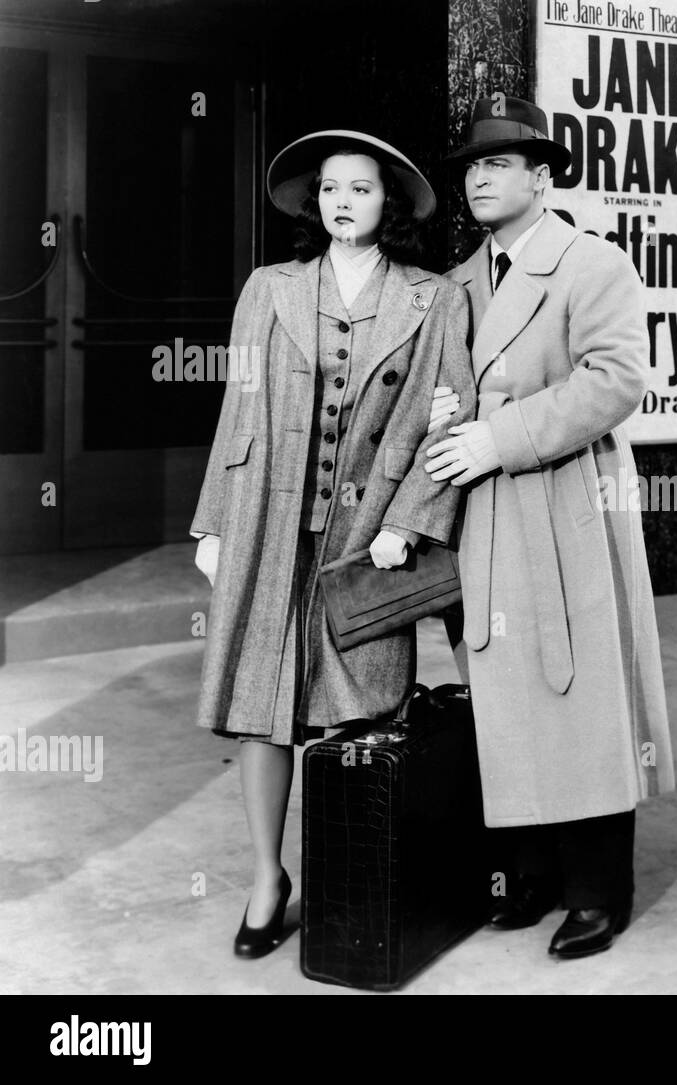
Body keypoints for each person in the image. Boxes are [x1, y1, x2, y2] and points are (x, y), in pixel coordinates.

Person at [190, 129, 475, 958]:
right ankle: (267, 876)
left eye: (360, 188)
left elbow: (447, 413)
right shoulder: (267, 289)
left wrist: (408, 521)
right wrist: (212, 521)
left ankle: (348, 870)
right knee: (263, 704)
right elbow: (237, 408)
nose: (343, 202)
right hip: (269, 522)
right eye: (329, 189)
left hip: (366, 535)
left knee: (360, 701)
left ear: (389, 203)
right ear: (315, 204)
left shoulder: (433, 299)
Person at [426, 96, 675, 959]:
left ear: (543, 177)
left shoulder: (591, 263)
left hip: (567, 496)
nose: (480, 178)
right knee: (501, 689)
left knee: (581, 688)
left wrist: (501, 432)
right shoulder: (458, 283)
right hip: (483, 511)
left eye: (500, 163)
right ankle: (529, 875)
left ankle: (599, 890)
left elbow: (614, 382)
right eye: (472, 165)